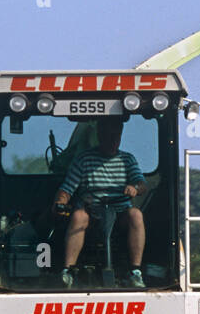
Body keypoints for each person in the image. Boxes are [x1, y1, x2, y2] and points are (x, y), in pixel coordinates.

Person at [53, 118, 147, 288]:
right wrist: (60, 202)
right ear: (99, 135)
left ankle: (135, 272)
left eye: (116, 136)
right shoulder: (84, 159)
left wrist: (134, 188)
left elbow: (141, 184)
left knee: (136, 214)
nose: (112, 140)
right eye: (108, 136)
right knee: (78, 216)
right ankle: (67, 272)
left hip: (119, 213)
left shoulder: (128, 160)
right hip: (92, 213)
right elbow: (67, 189)